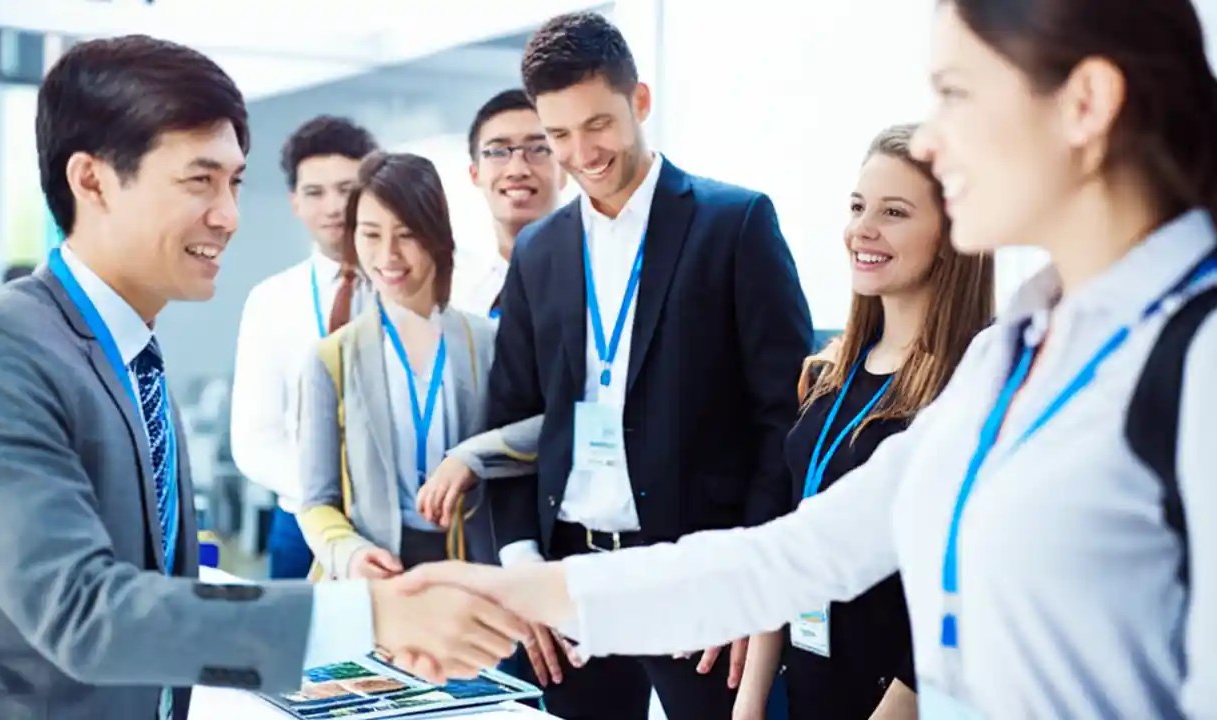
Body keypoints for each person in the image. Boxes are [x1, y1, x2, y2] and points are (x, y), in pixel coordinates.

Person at [401, 0, 1217, 717]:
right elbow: (794, 557)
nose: (931, 139)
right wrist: (514, 591)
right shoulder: (1015, 351)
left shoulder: (1196, 359)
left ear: (1087, 103)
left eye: (956, 94)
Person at [0, 36, 524, 720]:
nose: (229, 216)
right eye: (199, 180)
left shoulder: (133, 358)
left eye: (234, 182)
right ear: (92, 180)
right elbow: (85, 613)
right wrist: (371, 615)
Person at [480, 12, 815, 720]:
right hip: (569, 574)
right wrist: (522, 567)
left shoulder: (735, 223)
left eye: (596, 124)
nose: (580, 152)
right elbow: (509, 421)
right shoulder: (539, 251)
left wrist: (750, 578)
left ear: (639, 102)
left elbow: (781, 420)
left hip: (699, 576)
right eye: (559, 134)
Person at [734, 123, 994, 720]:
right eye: (858, 207)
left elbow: (958, 597)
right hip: (809, 686)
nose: (862, 230)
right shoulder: (829, 375)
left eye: (894, 212)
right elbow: (788, 545)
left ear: (953, 232)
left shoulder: (974, 386)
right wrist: (748, 707)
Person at [296, 151, 501, 578]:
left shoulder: (487, 341)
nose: (387, 254)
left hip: (472, 572)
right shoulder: (331, 357)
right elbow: (317, 501)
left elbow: (540, 431)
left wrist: (470, 457)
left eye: (406, 234)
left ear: (436, 236)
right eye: (370, 235)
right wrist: (349, 554)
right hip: (378, 575)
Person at [230, 115, 378, 580]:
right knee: (301, 651)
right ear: (295, 202)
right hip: (302, 521)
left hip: (402, 522)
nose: (333, 206)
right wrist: (329, 497)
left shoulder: (415, 289)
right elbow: (254, 438)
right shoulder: (271, 301)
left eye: (347, 188)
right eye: (315, 192)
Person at [463, 88, 566, 319]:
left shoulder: (600, 284)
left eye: (539, 149)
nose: (517, 170)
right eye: (498, 152)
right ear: (475, 173)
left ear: (564, 170)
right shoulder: (467, 303)